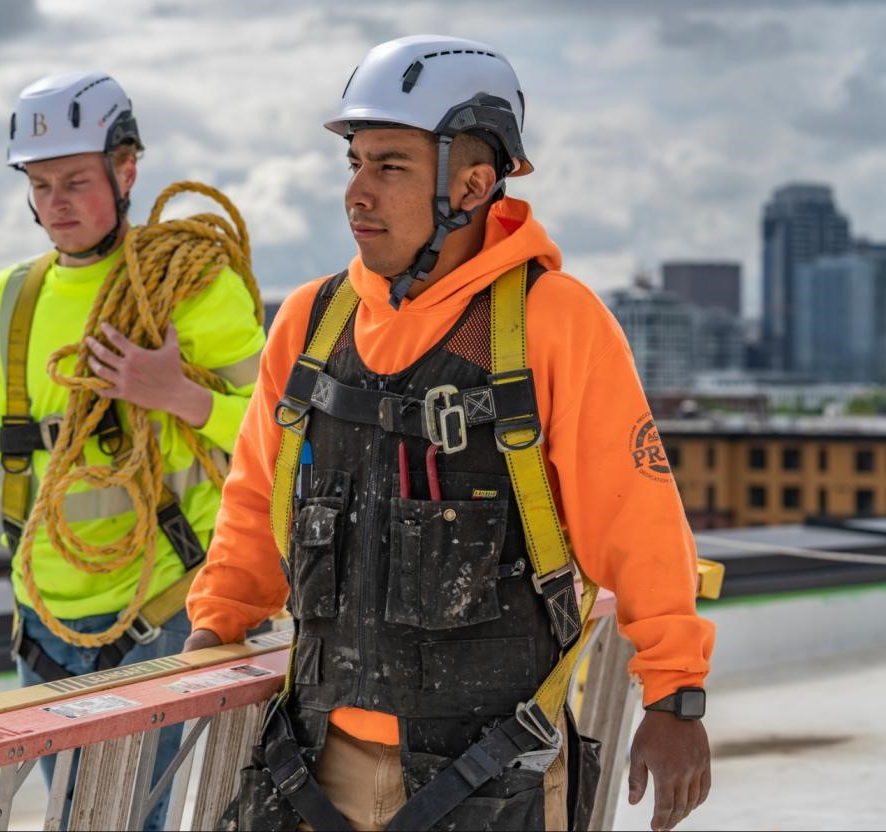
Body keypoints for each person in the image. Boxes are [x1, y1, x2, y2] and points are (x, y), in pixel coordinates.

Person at [184, 35, 714, 832]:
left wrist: (676, 698)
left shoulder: (551, 324)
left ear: (472, 184)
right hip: (311, 765)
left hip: (490, 775)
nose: (356, 192)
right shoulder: (310, 325)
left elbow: (636, 522)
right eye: (354, 162)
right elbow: (256, 497)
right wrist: (212, 627)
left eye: (389, 166)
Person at [0, 70, 266, 830]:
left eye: (76, 181)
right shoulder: (10, 305)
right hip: (45, 624)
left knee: (116, 821)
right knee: (81, 819)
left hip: (164, 608)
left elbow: (284, 435)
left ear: (126, 170)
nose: (56, 202)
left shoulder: (192, 288)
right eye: (41, 183)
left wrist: (178, 395)